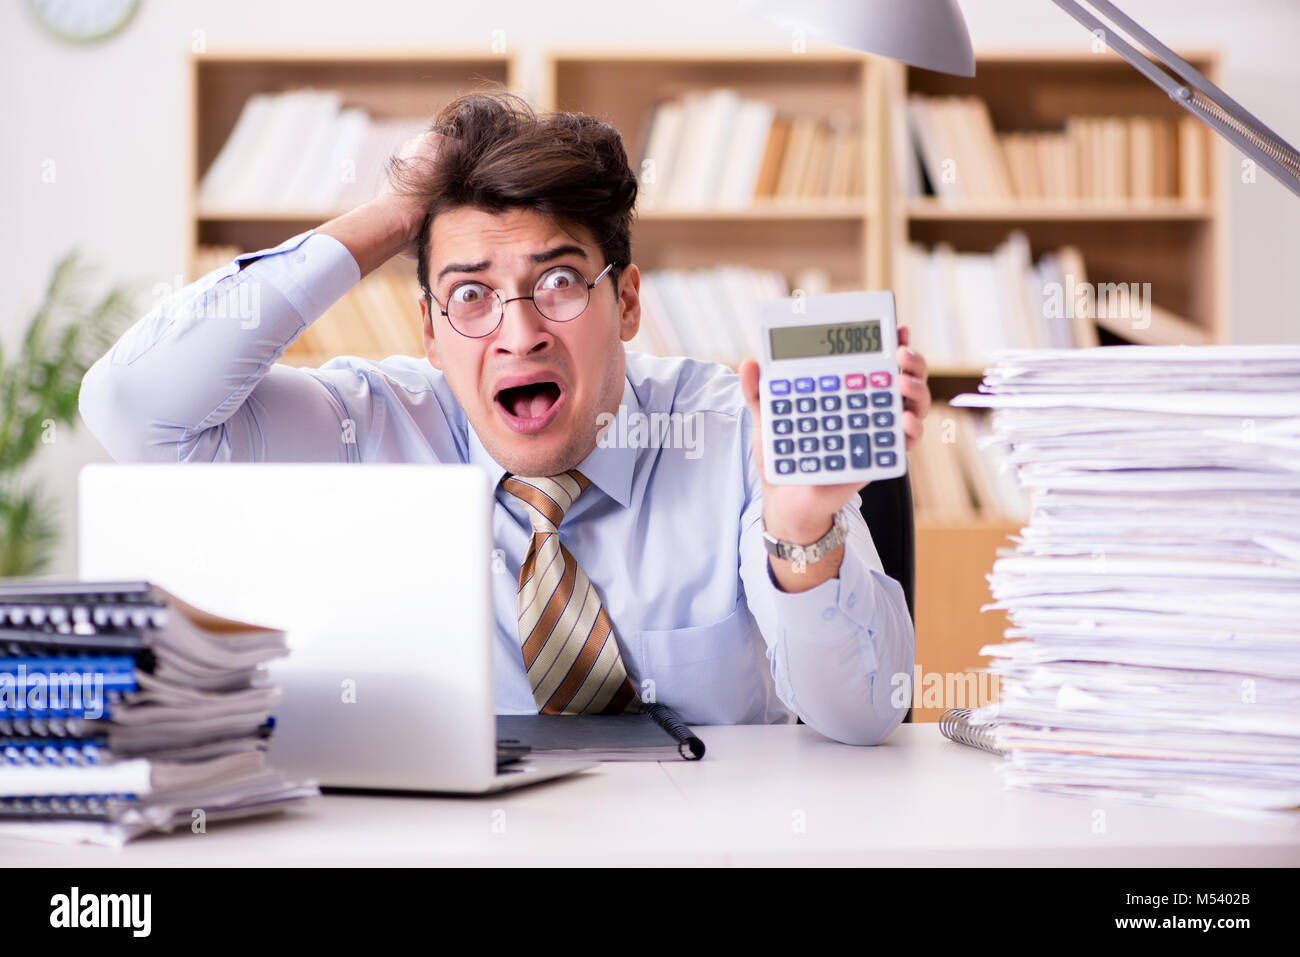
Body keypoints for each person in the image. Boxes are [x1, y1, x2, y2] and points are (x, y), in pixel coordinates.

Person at [79, 91, 932, 744]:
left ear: (627, 302)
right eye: (471, 295)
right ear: (428, 330)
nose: (519, 333)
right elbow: (135, 409)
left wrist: (799, 530)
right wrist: (394, 215)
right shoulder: (370, 426)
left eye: (559, 281)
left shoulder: (733, 434)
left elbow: (866, 716)